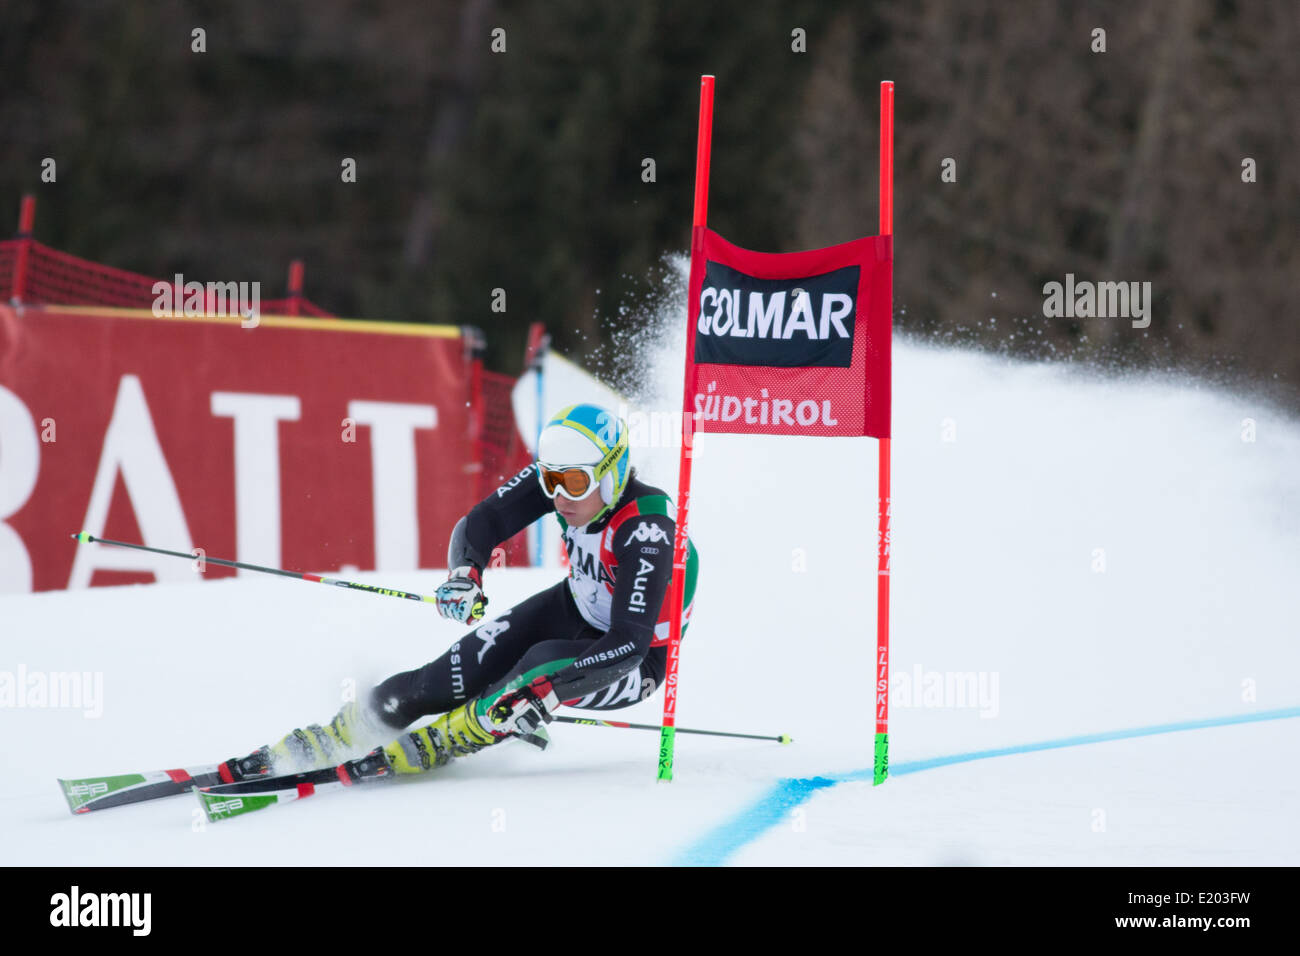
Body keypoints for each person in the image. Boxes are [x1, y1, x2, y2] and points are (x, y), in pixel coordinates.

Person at [227, 402, 699, 780]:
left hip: (632, 659)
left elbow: (630, 644)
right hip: (573, 605)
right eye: (550, 479)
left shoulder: (645, 529)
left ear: (611, 473)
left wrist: (541, 691)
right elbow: (482, 522)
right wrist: (465, 573)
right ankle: (338, 734)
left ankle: (449, 737)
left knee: (533, 670)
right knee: (437, 681)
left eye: (574, 482)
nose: (559, 495)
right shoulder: (565, 481)